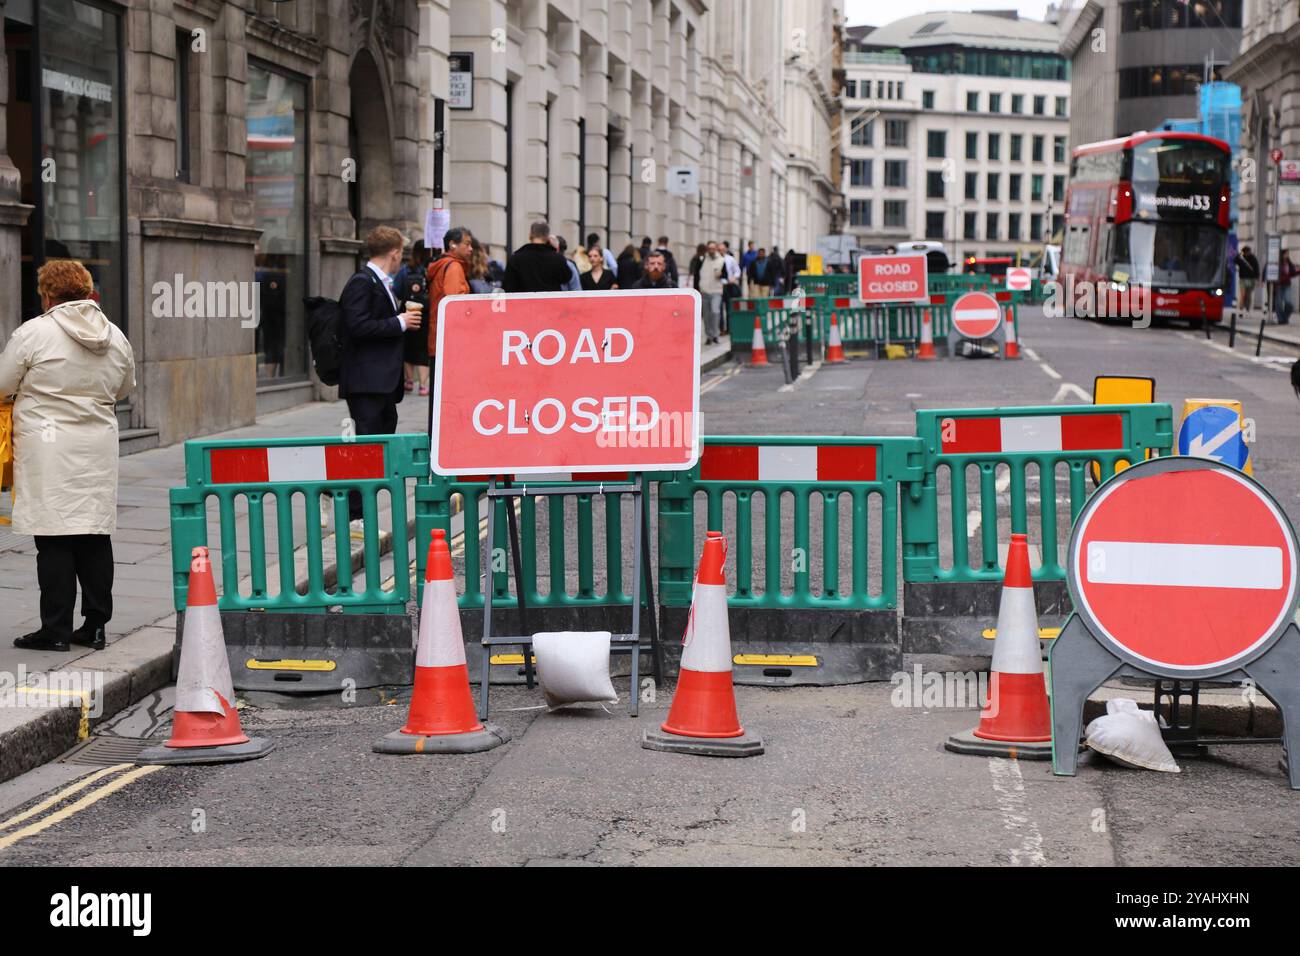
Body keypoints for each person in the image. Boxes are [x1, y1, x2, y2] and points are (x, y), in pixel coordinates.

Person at [0, 260, 135, 652]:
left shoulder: (35, 333)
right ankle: (95, 627)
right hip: (96, 444)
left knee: (54, 536)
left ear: (47, 294)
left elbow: (3, 383)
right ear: (87, 290)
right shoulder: (114, 335)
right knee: (94, 534)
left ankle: (55, 630)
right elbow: (124, 387)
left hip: (48, 444)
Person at [339, 227, 422, 524]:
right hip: (366, 382)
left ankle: (360, 506)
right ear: (395, 252)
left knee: (376, 449)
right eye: (402, 253)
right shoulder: (362, 282)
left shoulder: (382, 282)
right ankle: (354, 516)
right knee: (365, 449)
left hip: (382, 382)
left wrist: (401, 321)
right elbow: (358, 326)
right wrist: (399, 322)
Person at [427, 226, 472, 363]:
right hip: (449, 339)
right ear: (452, 244)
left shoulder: (445, 264)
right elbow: (455, 305)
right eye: (467, 244)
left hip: (440, 335)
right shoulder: (453, 267)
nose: (471, 249)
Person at [395, 240, 430, 397]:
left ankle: (409, 381)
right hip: (425, 313)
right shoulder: (430, 269)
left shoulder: (405, 270)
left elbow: (397, 290)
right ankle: (423, 385)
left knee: (408, 346)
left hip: (408, 310)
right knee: (423, 348)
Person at [503, 221, 572, 293]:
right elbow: (566, 278)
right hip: (550, 303)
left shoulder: (515, 259)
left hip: (525, 303)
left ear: (530, 235)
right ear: (547, 237)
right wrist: (555, 250)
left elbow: (508, 287)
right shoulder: (557, 259)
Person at [698, 241, 727, 344]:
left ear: (716, 249)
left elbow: (726, 275)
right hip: (704, 291)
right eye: (709, 248)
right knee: (706, 315)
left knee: (715, 312)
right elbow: (697, 275)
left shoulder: (722, 261)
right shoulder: (702, 260)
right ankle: (708, 336)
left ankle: (715, 334)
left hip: (716, 290)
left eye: (713, 249)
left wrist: (721, 275)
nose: (711, 251)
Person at [1235, 245, 1260, 313]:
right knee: (1243, 294)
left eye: (1249, 251)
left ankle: (1247, 308)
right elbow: (1235, 260)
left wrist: (1257, 278)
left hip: (1251, 279)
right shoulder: (1241, 258)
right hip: (1243, 279)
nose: (1248, 253)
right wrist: (1239, 254)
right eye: (1246, 252)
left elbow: (1256, 268)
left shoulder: (1253, 258)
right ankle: (1241, 307)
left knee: (1248, 294)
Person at [1276, 250, 1296, 325]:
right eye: (1286, 254)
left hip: (1287, 284)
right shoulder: (1277, 262)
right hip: (1279, 285)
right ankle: (1281, 320)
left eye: (1288, 254)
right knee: (1278, 303)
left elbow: (1293, 272)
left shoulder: (1289, 263)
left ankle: (1285, 317)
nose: (1287, 255)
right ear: (1282, 254)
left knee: (1289, 303)